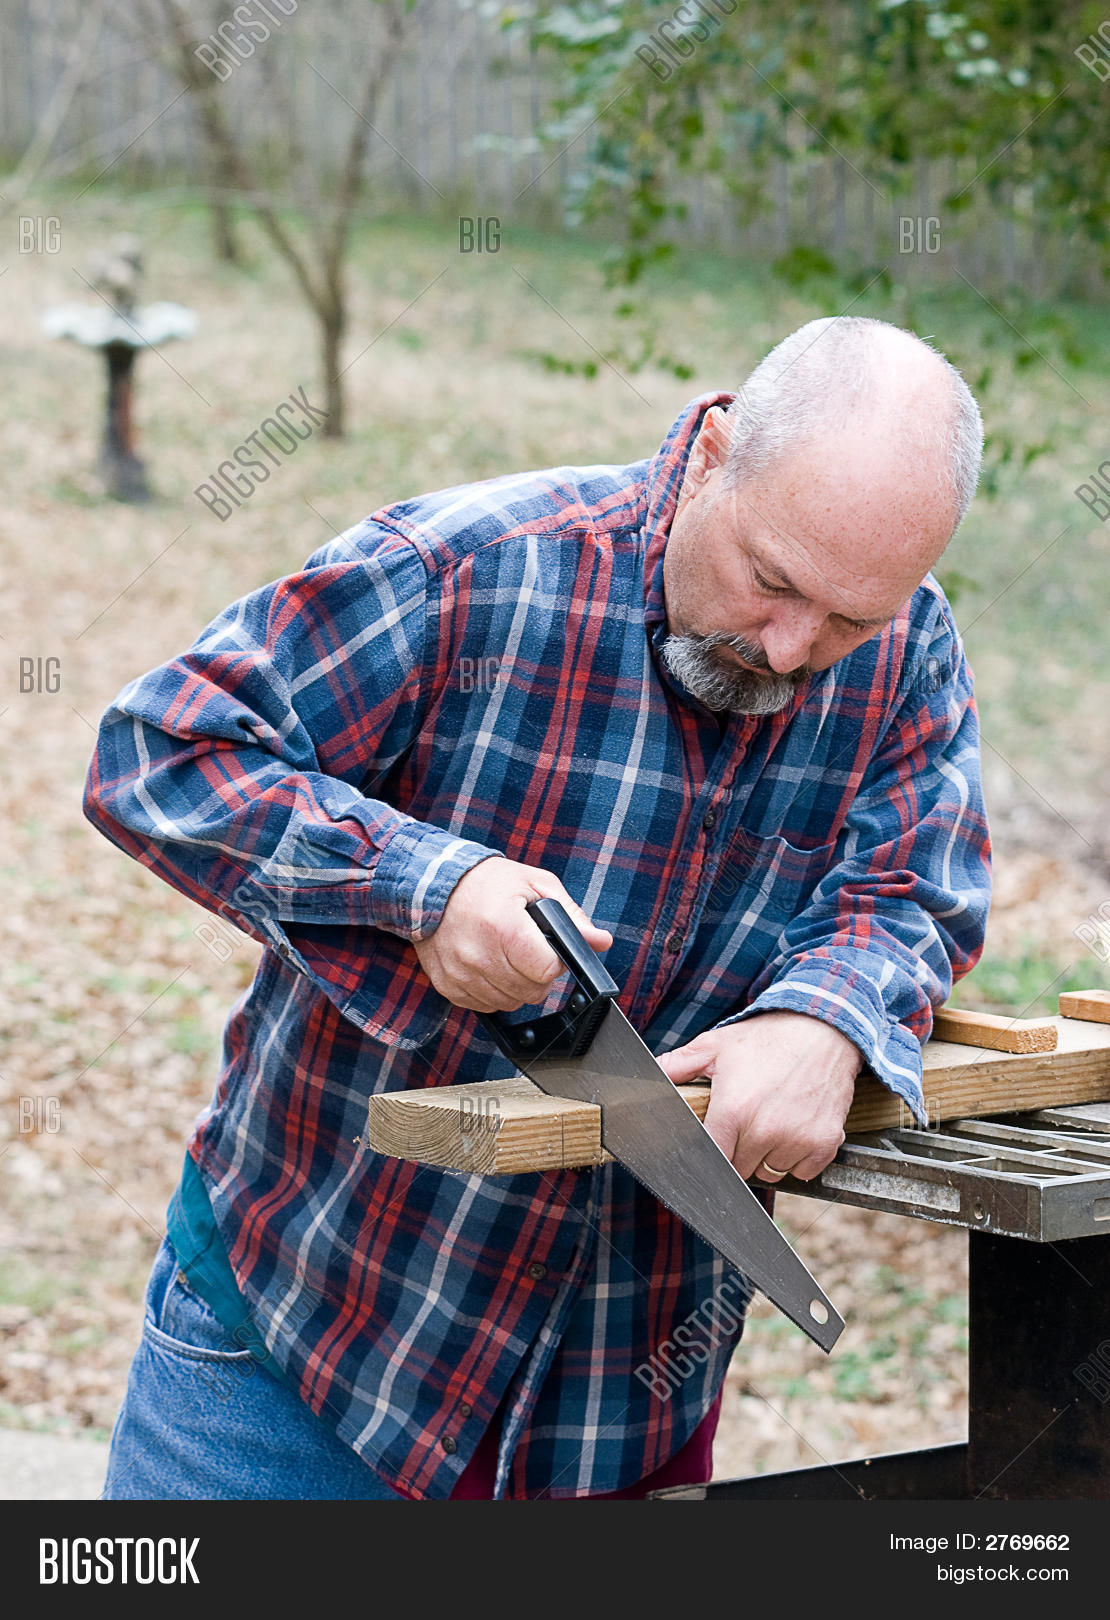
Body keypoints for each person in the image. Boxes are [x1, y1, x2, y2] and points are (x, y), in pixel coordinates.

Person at [84, 314, 991, 1500]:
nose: (789, 646)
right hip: (307, 1356)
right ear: (714, 452)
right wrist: (423, 885)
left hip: (618, 1411)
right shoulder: (466, 567)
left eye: (848, 620)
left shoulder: (908, 652)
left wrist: (828, 1015)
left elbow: (918, 884)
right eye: (771, 582)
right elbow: (160, 753)